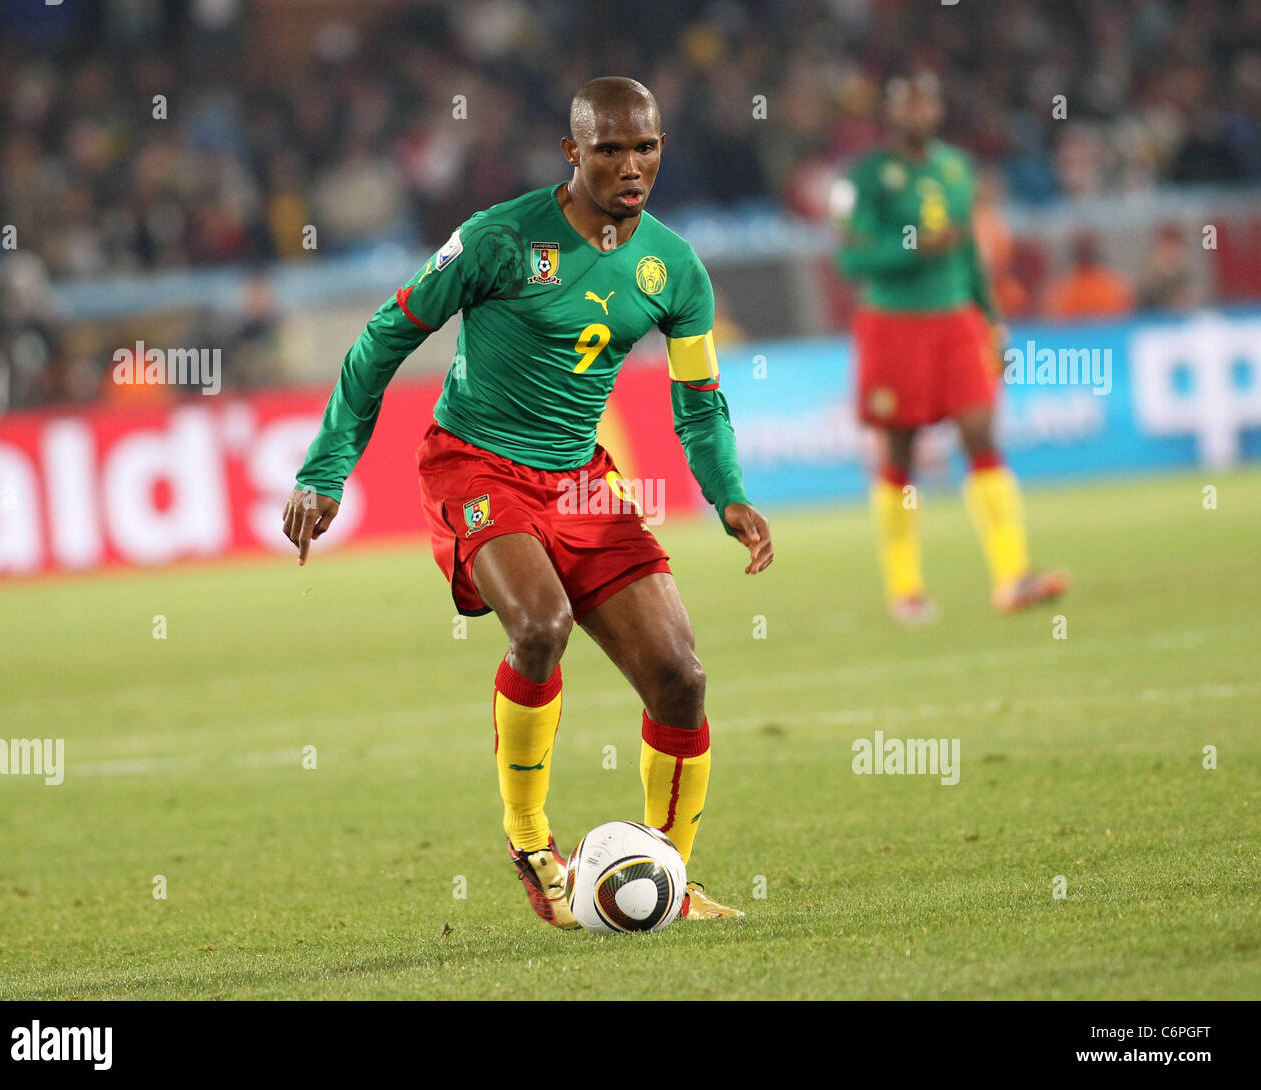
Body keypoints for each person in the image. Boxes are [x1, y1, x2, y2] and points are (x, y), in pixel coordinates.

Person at [282, 77, 773, 928]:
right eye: (610, 148)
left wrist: (727, 495)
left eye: (646, 147)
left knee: (681, 681)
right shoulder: (498, 239)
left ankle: (665, 875)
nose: (631, 165)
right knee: (539, 625)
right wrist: (327, 467)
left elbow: (698, 400)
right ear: (571, 150)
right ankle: (530, 840)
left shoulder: (675, 268)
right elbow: (382, 339)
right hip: (475, 466)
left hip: (581, 478)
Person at [834, 70, 1068, 622]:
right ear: (890, 112)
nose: (918, 110)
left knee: (982, 433)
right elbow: (850, 258)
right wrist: (914, 249)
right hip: (893, 324)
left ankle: (1013, 577)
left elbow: (967, 254)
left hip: (957, 319)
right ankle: (906, 589)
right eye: (906, 100)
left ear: (937, 109)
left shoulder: (957, 168)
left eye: (926, 101)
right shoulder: (867, 177)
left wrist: (994, 322)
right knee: (901, 452)